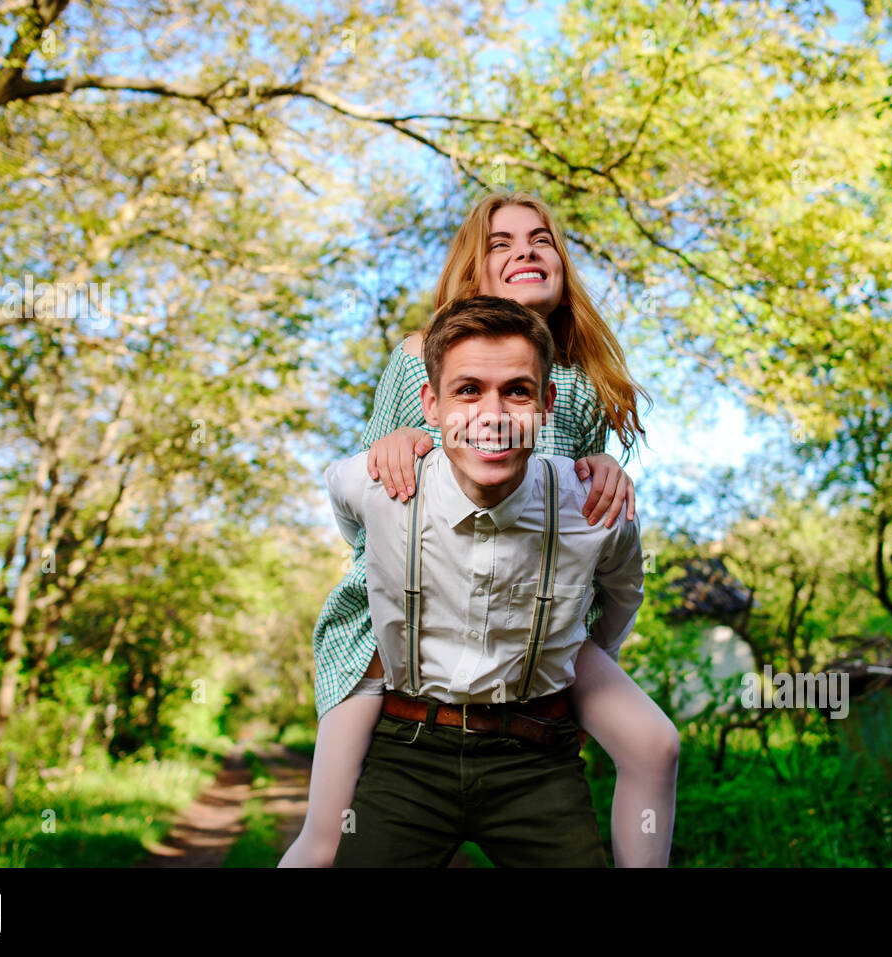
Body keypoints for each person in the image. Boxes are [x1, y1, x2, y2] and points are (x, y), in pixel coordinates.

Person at [280, 190, 678, 867]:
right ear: (474, 273)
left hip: (534, 612)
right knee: (324, 839)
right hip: (411, 610)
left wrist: (602, 463)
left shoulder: (576, 385)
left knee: (654, 743)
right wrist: (400, 440)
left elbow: (576, 507)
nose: (525, 249)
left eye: (540, 238)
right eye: (501, 243)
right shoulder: (422, 357)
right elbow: (370, 502)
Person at [328, 295, 641, 865]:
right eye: (468, 390)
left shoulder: (592, 509)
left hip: (537, 757)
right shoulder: (379, 484)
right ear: (432, 403)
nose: (492, 414)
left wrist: (587, 657)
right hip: (408, 752)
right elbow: (343, 501)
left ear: (547, 404)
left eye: (517, 391)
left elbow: (623, 593)